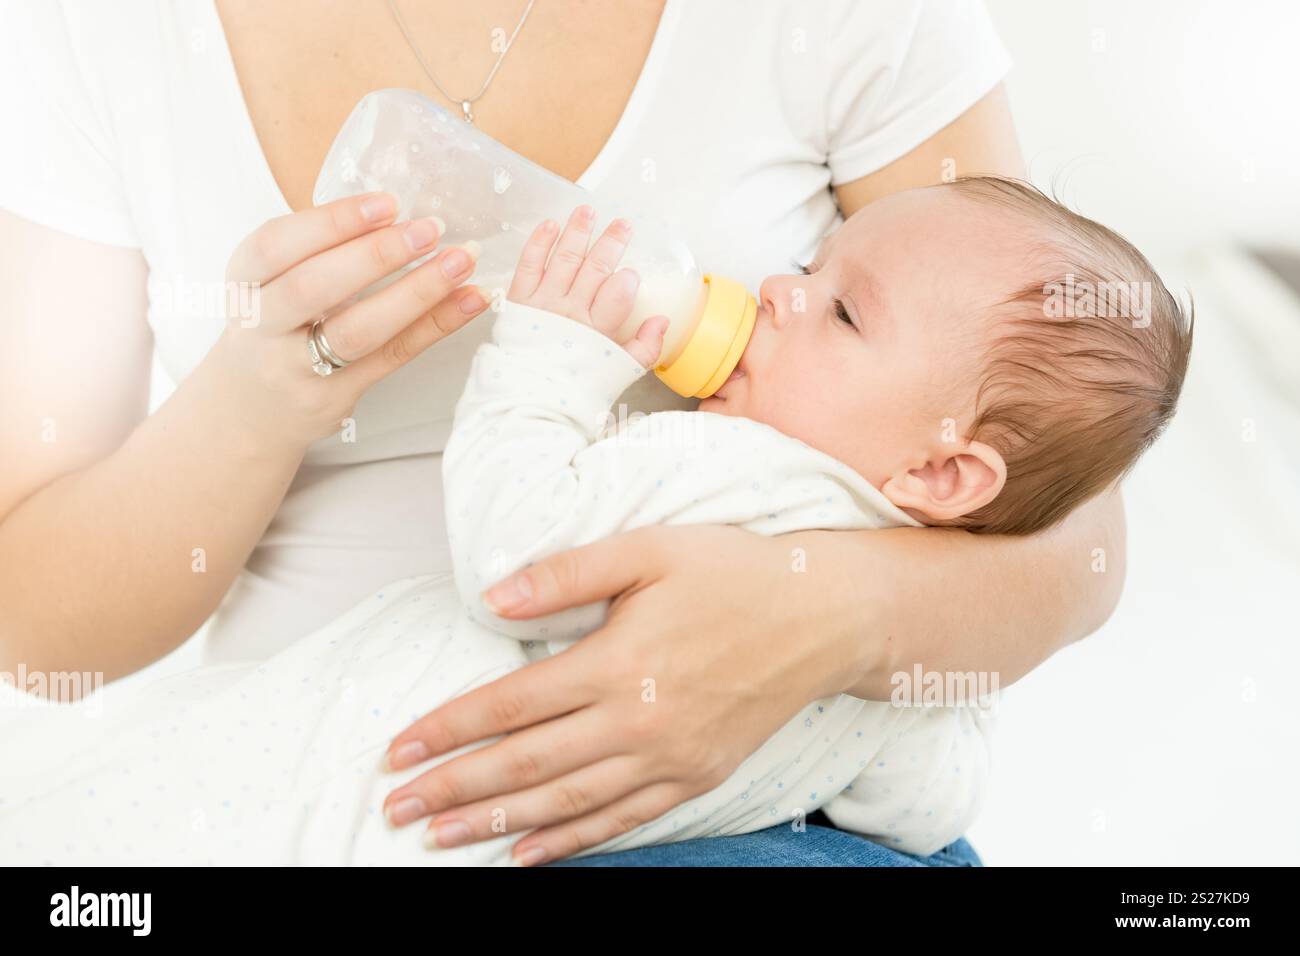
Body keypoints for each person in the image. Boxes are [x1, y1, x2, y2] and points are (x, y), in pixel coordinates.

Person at [0, 1, 1124, 865]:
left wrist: (817, 623)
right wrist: (256, 393)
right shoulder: (99, 32)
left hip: (738, 829)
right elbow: (38, 632)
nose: (778, 290)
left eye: (835, 300)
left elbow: (1070, 523)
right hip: (340, 780)